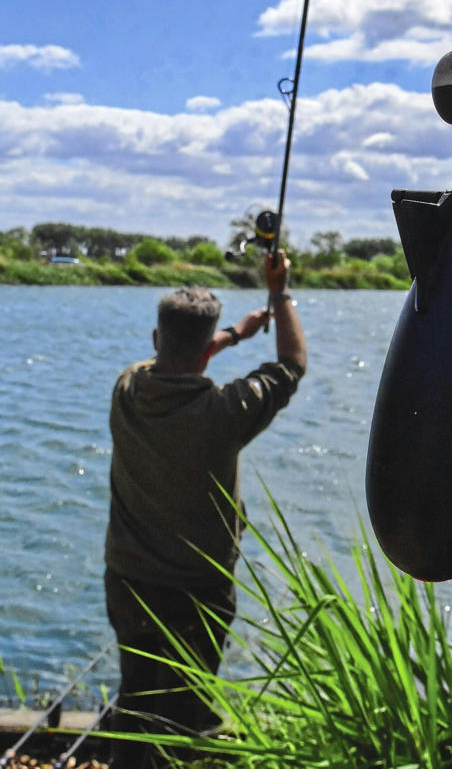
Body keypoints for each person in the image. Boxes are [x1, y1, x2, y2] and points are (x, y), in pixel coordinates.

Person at [104, 250, 306, 769]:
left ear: (156, 339)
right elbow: (290, 365)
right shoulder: (224, 412)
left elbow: (175, 360)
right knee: (184, 712)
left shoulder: (127, 388)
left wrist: (233, 335)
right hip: (197, 590)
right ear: (205, 346)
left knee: (135, 697)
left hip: (127, 580)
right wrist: (280, 292)